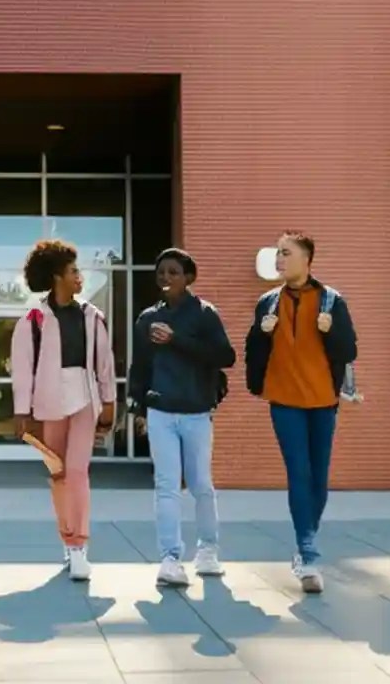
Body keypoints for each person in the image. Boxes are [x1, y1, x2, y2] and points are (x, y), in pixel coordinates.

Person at [245, 231, 358, 593]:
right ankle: (308, 552)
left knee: (319, 478)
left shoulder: (331, 301)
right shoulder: (267, 302)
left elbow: (349, 348)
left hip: (323, 399)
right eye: (278, 253)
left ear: (306, 260)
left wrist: (331, 331)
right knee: (299, 472)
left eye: (286, 253)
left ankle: (304, 541)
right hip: (284, 399)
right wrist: (263, 334)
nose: (279, 259)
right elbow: (252, 349)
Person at [129, 248, 236, 587]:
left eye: (173, 272)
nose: (166, 278)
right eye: (161, 272)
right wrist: (137, 408)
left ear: (189, 277)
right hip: (160, 411)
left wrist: (176, 340)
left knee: (201, 485)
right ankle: (170, 558)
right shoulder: (147, 319)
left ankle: (207, 551)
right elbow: (140, 368)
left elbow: (225, 356)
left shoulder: (205, 315)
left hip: (196, 413)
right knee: (166, 486)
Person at [11, 239, 117, 581]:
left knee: (77, 472)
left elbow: (105, 364)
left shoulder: (91, 316)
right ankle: (68, 540)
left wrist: (109, 403)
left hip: (85, 401)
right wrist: (21, 412)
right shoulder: (33, 320)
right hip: (48, 404)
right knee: (59, 475)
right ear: (57, 276)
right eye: (73, 271)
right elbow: (23, 369)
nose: (79, 277)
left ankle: (79, 547)